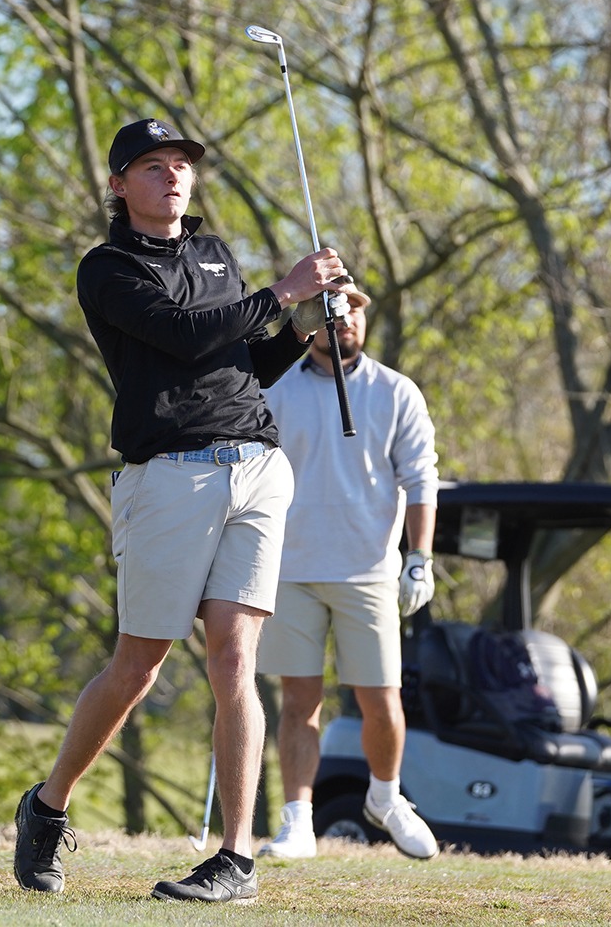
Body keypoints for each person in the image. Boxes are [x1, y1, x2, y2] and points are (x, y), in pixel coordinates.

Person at [12, 116, 353, 905]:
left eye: (182, 166)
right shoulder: (106, 267)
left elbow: (245, 359)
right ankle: (48, 804)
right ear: (118, 183)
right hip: (169, 473)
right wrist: (283, 291)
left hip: (259, 466)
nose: (174, 177)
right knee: (141, 664)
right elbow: (181, 335)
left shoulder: (215, 254)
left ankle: (235, 859)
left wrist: (308, 329)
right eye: (155, 166)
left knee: (236, 656)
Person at [255, 288, 441, 861]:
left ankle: (385, 798)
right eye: (333, 310)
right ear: (310, 318)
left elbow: (420, 479)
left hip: (369, 570)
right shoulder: (275, 386)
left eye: (355, 309)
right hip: (291, 566)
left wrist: (420, 558)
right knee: (298, 701)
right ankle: (298, 823)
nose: (346, 319)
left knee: (382, 699)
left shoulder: (395, 390)